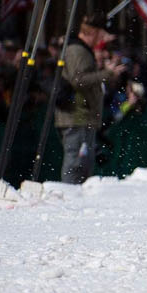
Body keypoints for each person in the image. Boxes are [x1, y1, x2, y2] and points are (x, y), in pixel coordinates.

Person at [55, 14, 127, 184]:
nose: (102, 40)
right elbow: (78, 80)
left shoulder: (81, 50)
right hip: (76, 115)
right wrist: (107, 73)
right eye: (101, 36)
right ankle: (71, 193)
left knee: (84, 163)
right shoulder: (78, 51)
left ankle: (76, 193)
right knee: (76, 162)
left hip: (82, 115)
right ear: (92, 33)